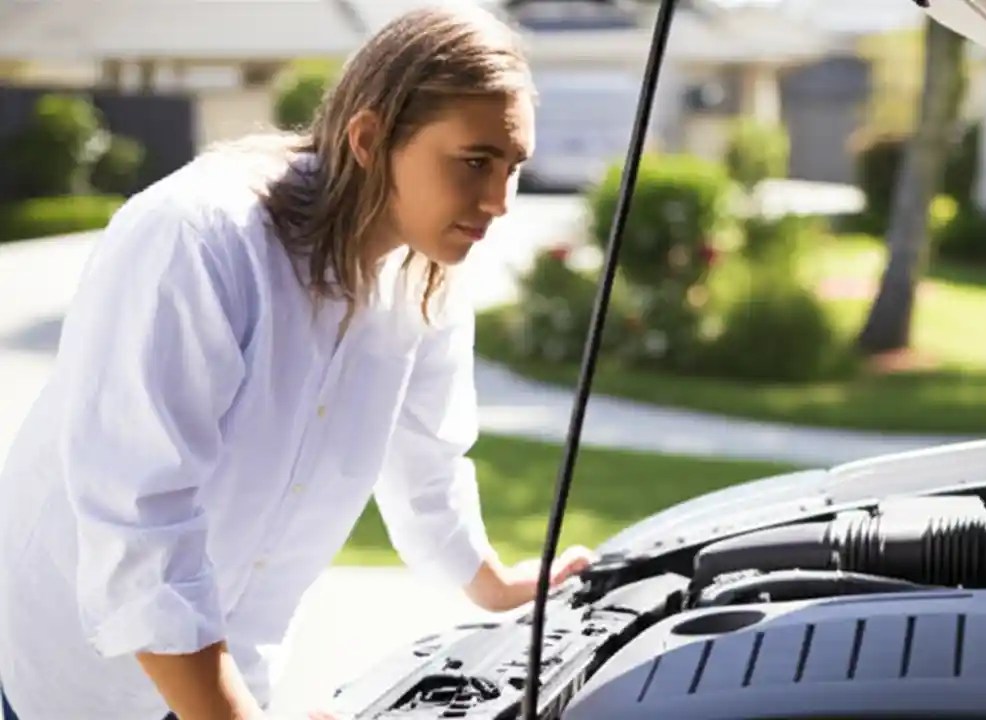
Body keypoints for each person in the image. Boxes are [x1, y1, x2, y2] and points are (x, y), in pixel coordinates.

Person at [0, 5, 594, 719]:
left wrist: (496, 586)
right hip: (55, 677)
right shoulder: (199, 240)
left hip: (231, 673)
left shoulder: (425, 274)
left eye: (512, 166)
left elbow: (427, 465)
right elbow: (137, 528)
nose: (500, 200)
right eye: (474, 162)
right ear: (370, 138)